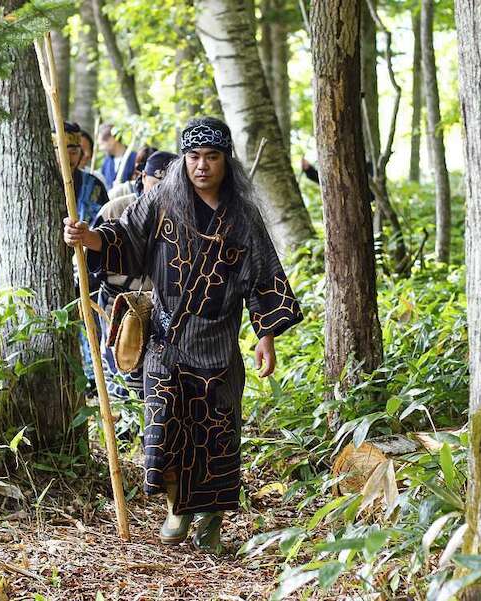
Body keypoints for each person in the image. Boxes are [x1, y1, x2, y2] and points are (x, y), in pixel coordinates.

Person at [63, 117, 302, 554]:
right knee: (164, 431)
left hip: (217, 344)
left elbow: (261, 275)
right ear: (184, 160)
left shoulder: (243, 216)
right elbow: (126, 239)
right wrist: (90, 238)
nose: (202, 166)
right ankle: (179, 507)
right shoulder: (160, 202)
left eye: (212, 157)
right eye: (194, 157)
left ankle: (210, 516)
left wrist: (265, 334)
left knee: (213, 434)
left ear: (225, 161)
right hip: (165, 341)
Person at [91, 150, 178, 405]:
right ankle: (125, 428)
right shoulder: (117, 208)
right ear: (143, 177)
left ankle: (153, 430)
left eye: (168, 182)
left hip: (164, 305)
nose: (161, 188)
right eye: (155, 181)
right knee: (122, 367)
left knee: (159, 374)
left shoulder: (186, 213)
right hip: (118, 302)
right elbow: (95, 252)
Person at [56, 122, 109, 390]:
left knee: (94, 327)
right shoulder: (45, 185)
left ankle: (95, 380)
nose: (66, 155)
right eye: (58, 149)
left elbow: (107, 229)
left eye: (72, 148)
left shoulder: (93, 185)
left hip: (90, 270)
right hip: (58, 271)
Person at [98, 124, 137, 189]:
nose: (100, 148)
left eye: (102, 144)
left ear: (112, 139)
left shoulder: (134, 158)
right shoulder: (106, 162)